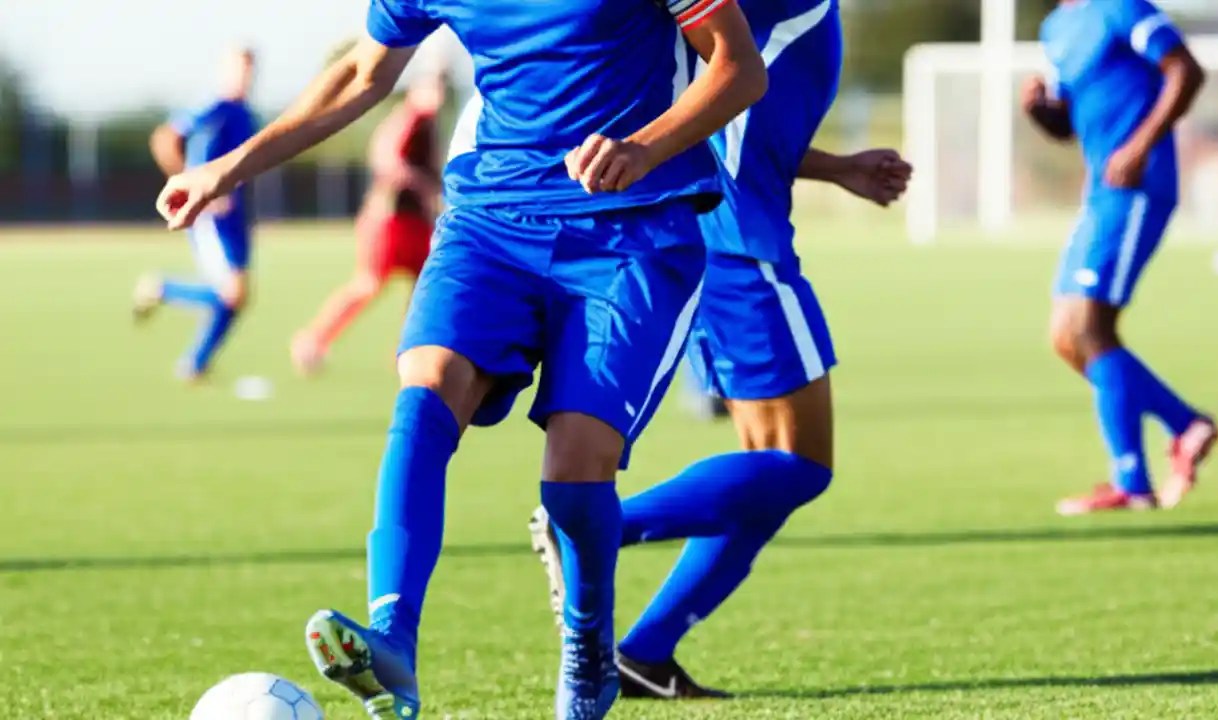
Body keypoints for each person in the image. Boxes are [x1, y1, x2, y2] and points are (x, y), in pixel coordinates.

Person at [153, 0, 766, 718]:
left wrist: (643, 147)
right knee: (426, 386)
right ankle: (391, 641)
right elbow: (360, 71)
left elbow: (738, 68)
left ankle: (589, 648)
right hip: (491, 222)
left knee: (575, 471)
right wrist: (230, 167)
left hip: (634, 227)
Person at [528, 0, 911, 698]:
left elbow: (738, 122)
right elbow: (725, 90)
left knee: (765, 478)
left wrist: (836, 168)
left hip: (720, 236)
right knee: (797, 466)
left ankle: (645, 653)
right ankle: (588, 527)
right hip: (744, 253)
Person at [1024, 0, 1218, 515]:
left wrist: (1141, 146)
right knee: (1067, 337)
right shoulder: (1056, 27)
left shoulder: (1118, 6)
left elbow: (1186, 70)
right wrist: (1043, 114)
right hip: (1101, 192)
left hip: (1136, 185)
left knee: (1089, 329)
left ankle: (1139, 474)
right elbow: (1069, 124)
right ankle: (1176, 434)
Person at [291, 75, 445, 375]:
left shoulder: (428, 125)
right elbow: (388, 162)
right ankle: (312, 340)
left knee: (425, 285)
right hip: (389, 221)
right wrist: (426, 188)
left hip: (416, 222)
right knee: (368, 284)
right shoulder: (407, 120)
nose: (437, 95)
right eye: (433, 87)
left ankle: (410, 347)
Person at [134, 48, 258, 381]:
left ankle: (196, 363)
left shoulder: (246, 113)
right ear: (223, 71)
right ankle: (161, 289)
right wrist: (189, 183)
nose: (244, 77)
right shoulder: (213, 107)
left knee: (238, 295)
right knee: (232, 292)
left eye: (249, 70)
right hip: (211, 214)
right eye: (238, 69)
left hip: (236, 216)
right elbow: (165, 138)